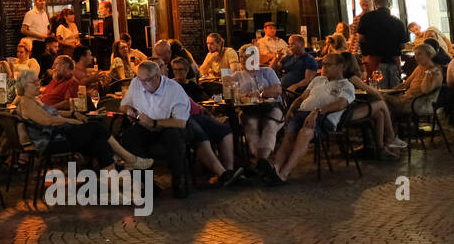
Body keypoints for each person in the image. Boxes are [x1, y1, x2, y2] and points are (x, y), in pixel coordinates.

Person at [13, 69, 151, 169]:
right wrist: (74, 121)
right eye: (34, 82)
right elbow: (49, 121)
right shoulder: (26, 102)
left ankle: (113, 189)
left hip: (60, 135)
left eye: (38, 80)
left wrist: (73, 114)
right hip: (51, 142)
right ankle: (129, 158)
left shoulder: (34, 100)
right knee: (95, 128)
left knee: (99, 145)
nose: (38, 84)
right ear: (24, 86)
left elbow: (54, 113)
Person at [261, 53, 355, 184]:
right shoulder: (318, 80)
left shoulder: (346, 86)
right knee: (288, 136)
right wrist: (291, 109)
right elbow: (302, 97)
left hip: (324, 118)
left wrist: (317, 111)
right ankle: (275, 169)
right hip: (301, 114)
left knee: (304, 133)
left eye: (328, 65)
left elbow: (341, 103)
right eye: (323, 64)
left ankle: (283, 173)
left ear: (340, 66)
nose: (324, 67)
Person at [119, 61, 193, 198]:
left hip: (168, 126)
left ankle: (178, 182)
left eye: (147, 80)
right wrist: (129, 110)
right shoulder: (136, 83)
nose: (143, 84)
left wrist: (154, 122)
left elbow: (181, 122)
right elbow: (123, 106)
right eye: (140, 80)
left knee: (173, 137)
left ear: (157, 76)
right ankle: (149, 185)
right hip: (145, 126)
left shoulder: (173, 89)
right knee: (129, 137)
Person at [170, 57, 241, 186]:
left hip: (199, 114)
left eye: (180, 70)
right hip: (185, 118)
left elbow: (205, 99)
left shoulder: (191, 85)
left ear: (186, 71)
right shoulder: (172, 85)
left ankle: (230, 171)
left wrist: (208, 106)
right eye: (175, 70)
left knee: (226, 128)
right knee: (201, 135)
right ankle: (223, 173)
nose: (177, 73)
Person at [339, 52, 405, 161]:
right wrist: (382, 97)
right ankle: (390, 137)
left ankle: (380, 149)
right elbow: (371, 91)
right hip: (345, 113)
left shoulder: (337, 76)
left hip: (346, 109)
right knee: (381, 104)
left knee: (379, 113)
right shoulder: (350, 77)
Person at [357, 0, 408, 87]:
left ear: (375, 4)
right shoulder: (398, 22)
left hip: (374, 60)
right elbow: (402, 45)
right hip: (394, 60)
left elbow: (361, 39)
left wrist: (365, 55)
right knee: (395, 90)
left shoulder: (366, 18)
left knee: (377, 90)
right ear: (388, 4)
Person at [383, 42, 443, 120]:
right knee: (381, 99)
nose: (416, 57)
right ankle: (393, 127)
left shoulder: (436, 72)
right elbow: (405, 84)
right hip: (407, 99)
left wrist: (427, 74)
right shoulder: (420, 67)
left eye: (419, 54)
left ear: (429, 55)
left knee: (382, 101)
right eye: (415, 54)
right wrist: (388, 91)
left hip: (420, 104)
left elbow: (425, 90)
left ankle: (391, 128)